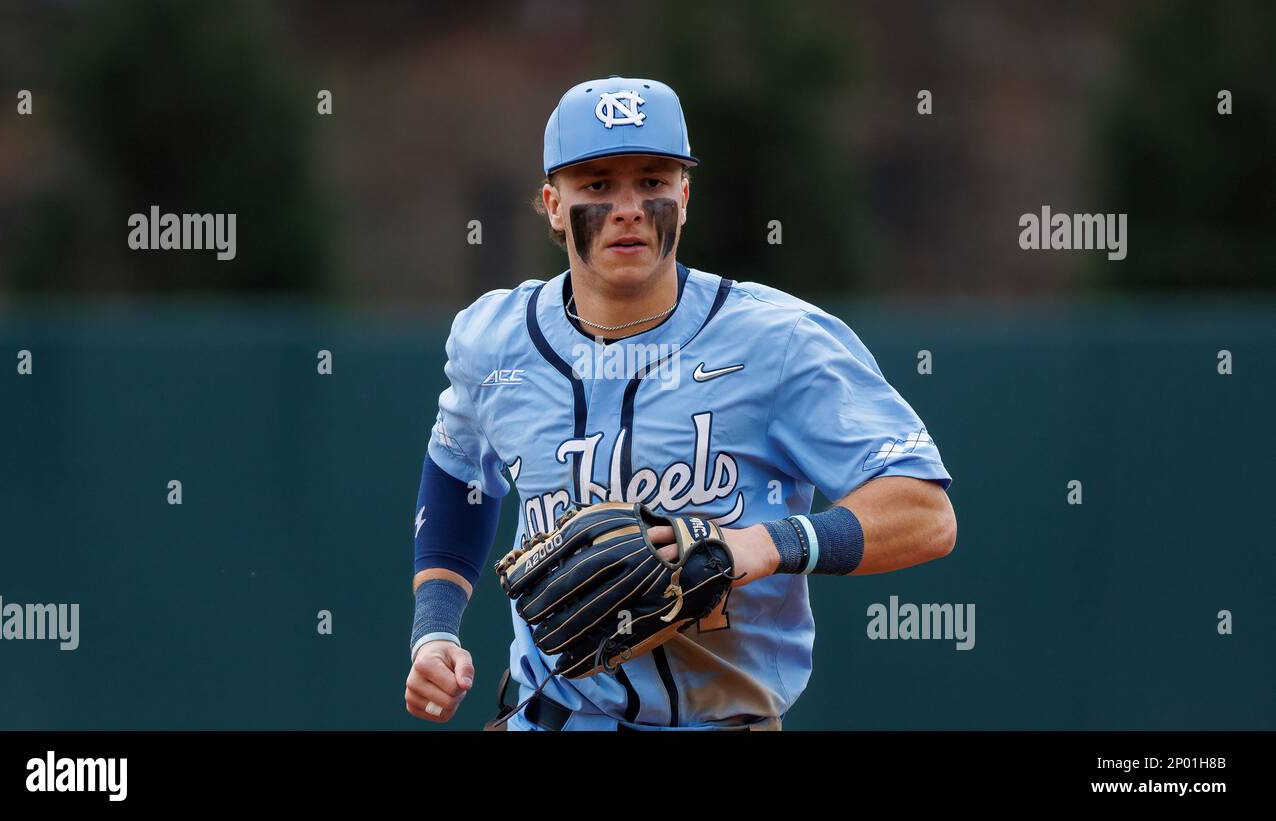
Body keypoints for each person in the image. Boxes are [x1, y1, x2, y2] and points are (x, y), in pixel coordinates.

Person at [404, 75, 956, 731]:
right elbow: (457, 473)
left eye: (653, 181)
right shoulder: (493, 341)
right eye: (598, 184)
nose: (629, 206)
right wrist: (434, 630)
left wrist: (772, 542)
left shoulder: (779, 341)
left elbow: (926, 513)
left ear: (684, 196)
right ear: (553, 204)